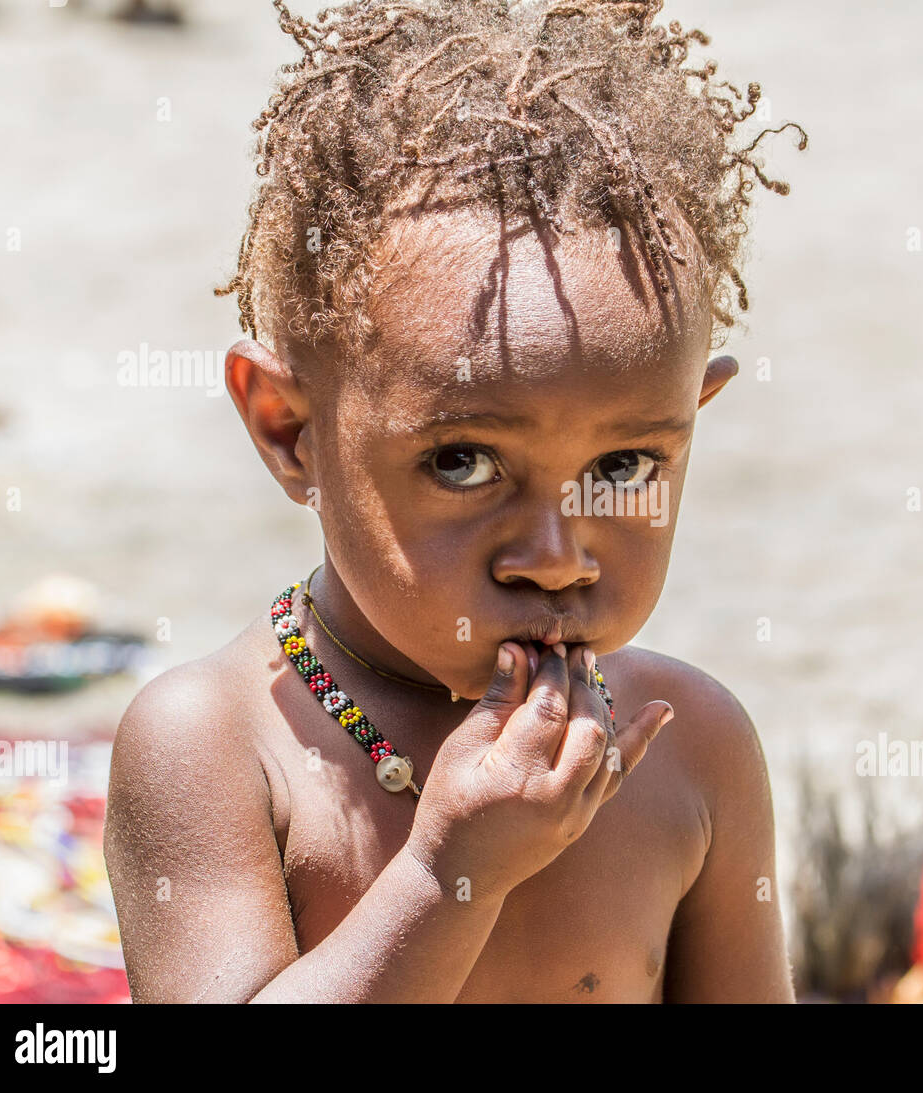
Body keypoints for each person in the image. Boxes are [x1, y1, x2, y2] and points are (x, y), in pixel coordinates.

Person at [104, 0, 806, 1003]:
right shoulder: (216, 745)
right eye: (464, 461)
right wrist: (445, 873)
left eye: (621, 469)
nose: (556, 555)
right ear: (287, 428)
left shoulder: (689, 746)